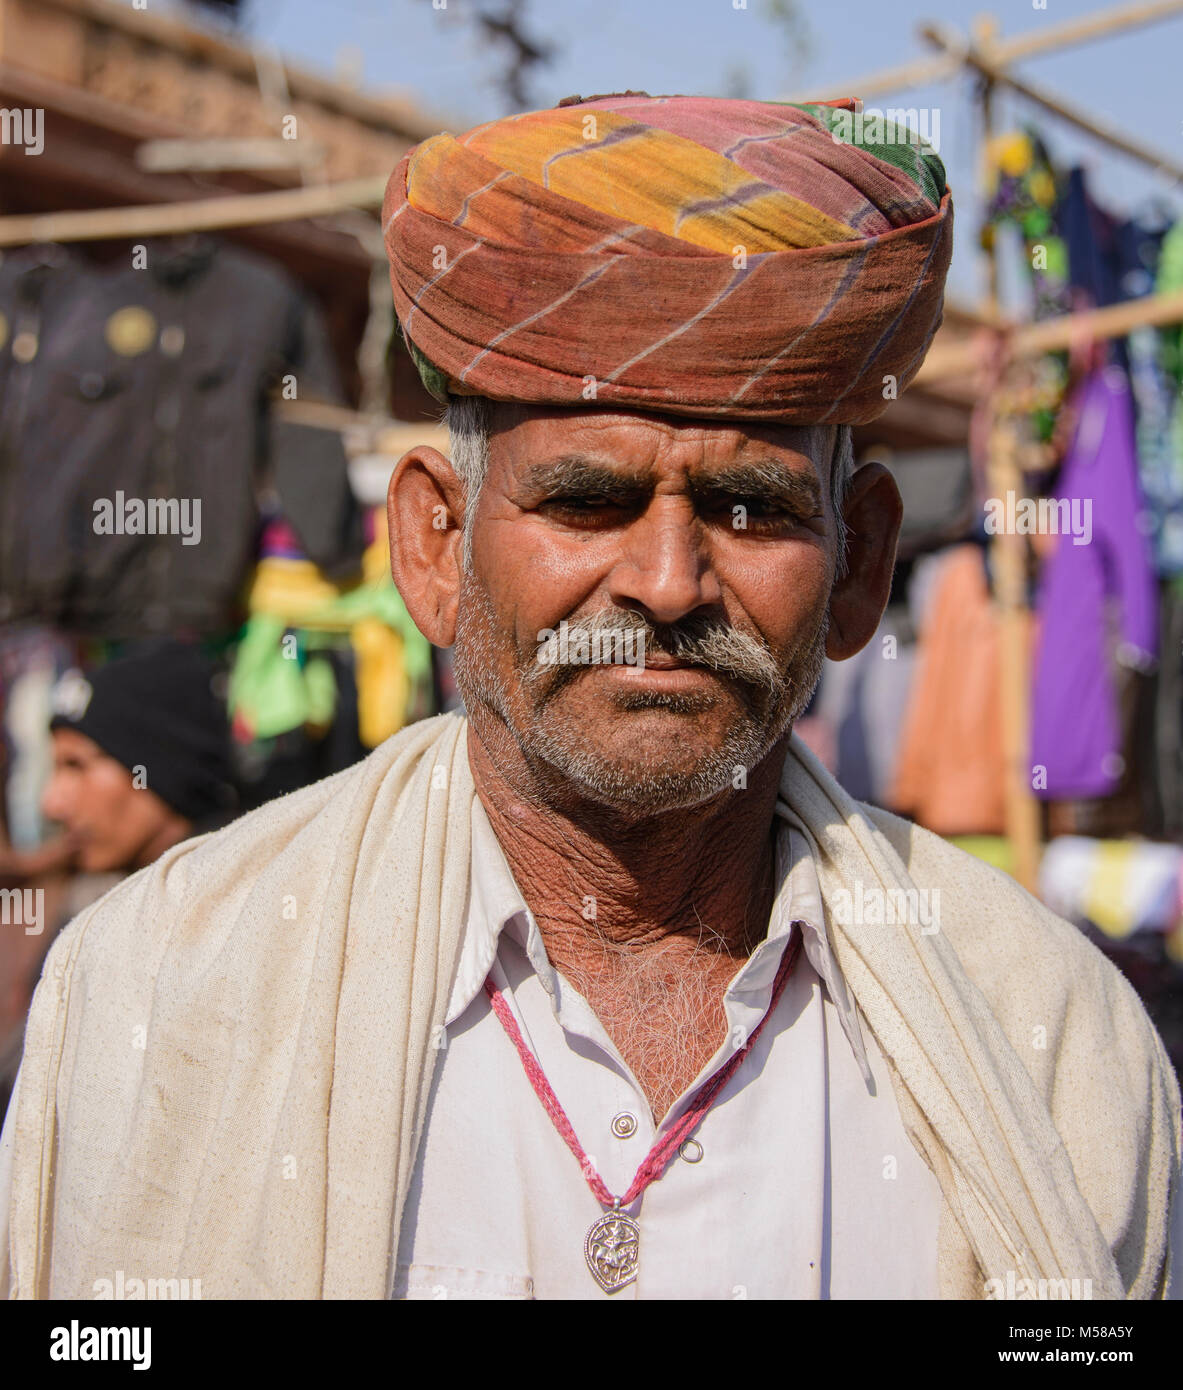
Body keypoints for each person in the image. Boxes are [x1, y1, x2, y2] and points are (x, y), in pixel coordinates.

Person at [1, 93, 1178, 1300]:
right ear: (433, 545)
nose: (668, 583)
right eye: (584, 501)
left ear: (862, 566)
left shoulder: (1048, 1038)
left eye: (750, 508)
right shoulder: (163, 986)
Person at [0, 640, 237, 1121]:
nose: (53, 803)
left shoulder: (233, 923)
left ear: (156, 771)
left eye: (77, 766)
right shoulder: (94, 911)